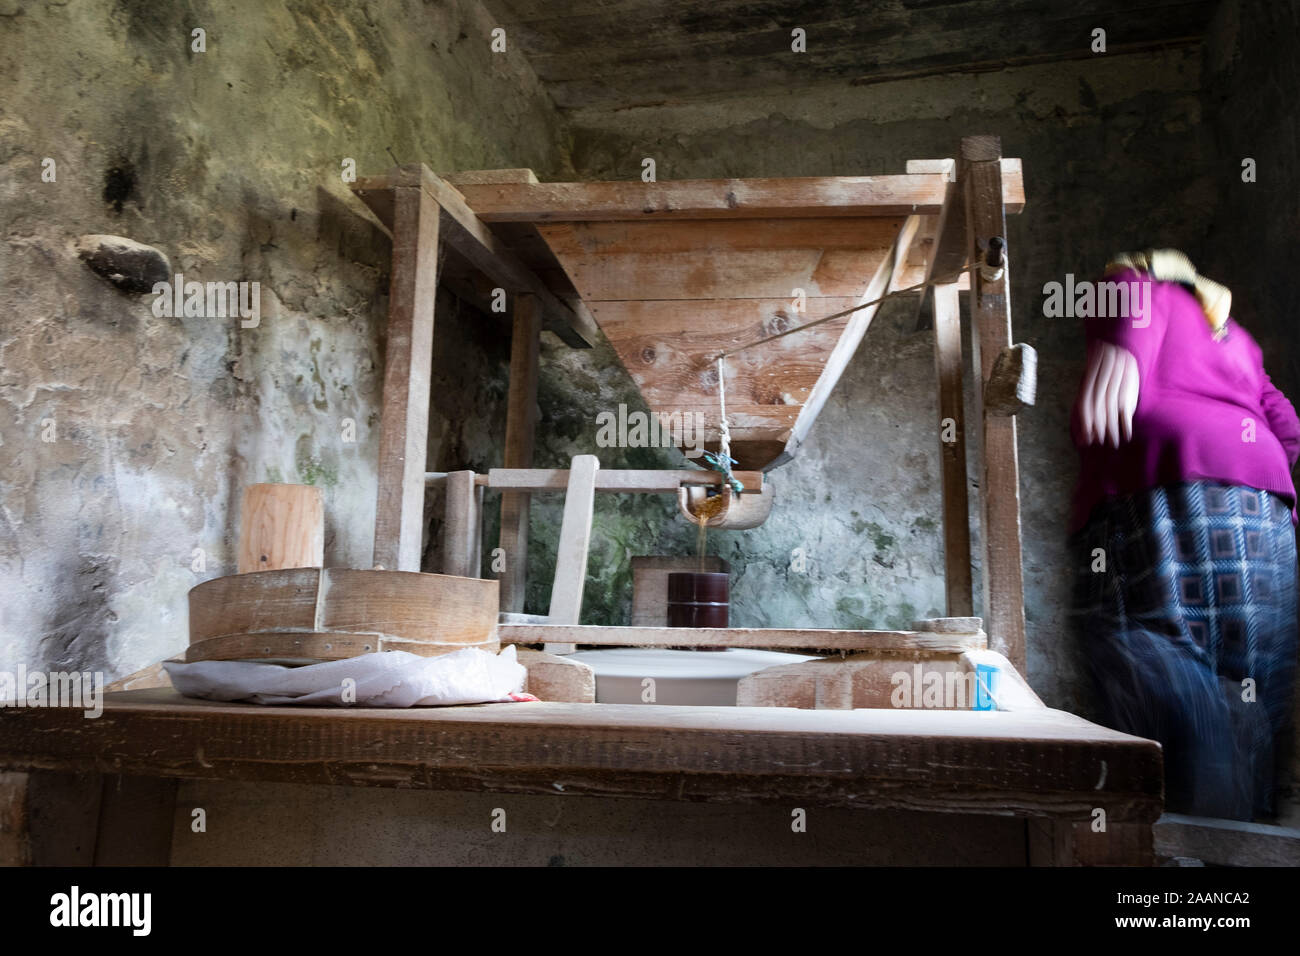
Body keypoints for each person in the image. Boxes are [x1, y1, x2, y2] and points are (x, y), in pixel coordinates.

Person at [1068, 249, 1300, 820]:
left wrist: (1126, 340)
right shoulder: (1237, 339)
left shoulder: (1151, 292)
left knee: (1134, 638)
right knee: (1251, 679)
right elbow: (1287, 427)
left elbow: (1125, 288)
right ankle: (1238, 839)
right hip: (1263, 507)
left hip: (1164, 477)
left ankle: (1186, 805)